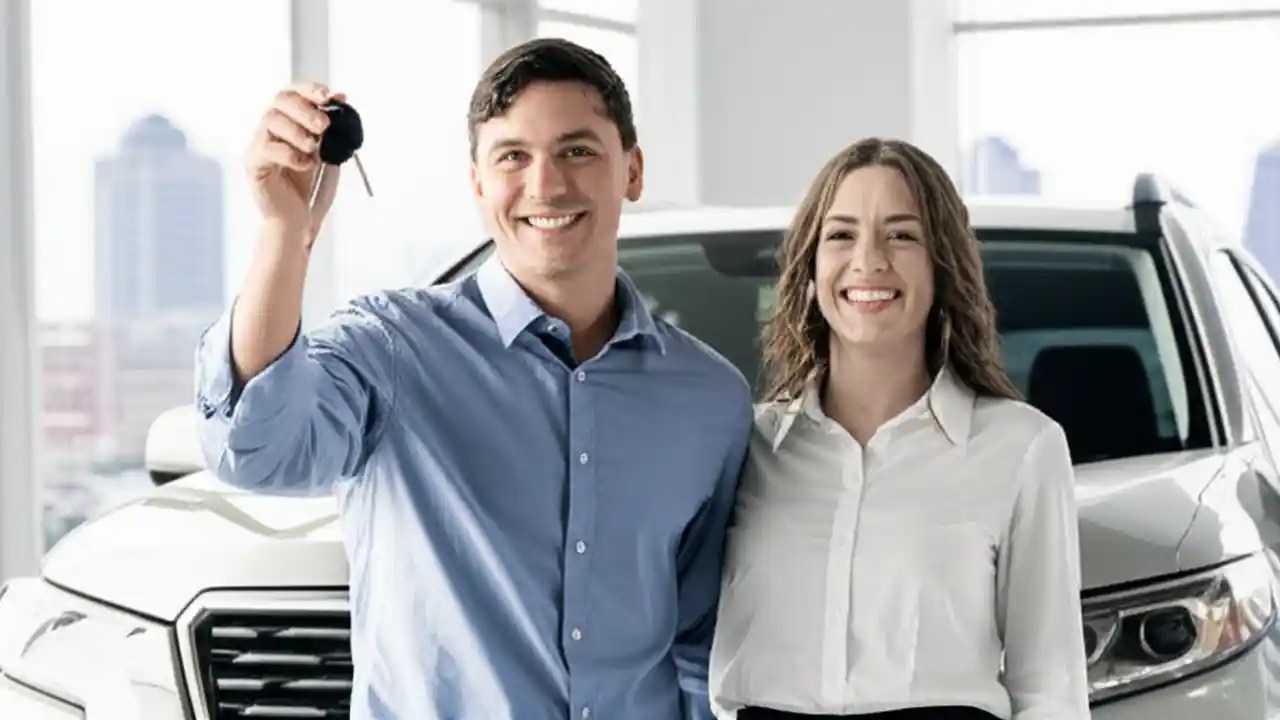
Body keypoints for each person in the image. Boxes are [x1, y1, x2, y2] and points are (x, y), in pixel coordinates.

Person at [194, 38, 751, 719]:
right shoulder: (390, 348)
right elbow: (253, 449)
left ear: (632, 170)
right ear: (478, 182)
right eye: (513, 156)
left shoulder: (712, 401)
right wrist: (286, 232)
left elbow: (702, 651)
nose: (546, 186)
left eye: (577, 151)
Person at [707, 138, 1090, 719]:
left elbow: (1051, 693)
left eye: (902, 235)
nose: (868, 260)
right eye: (841, 235)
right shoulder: (743, 447)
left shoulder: (1021, 448)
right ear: (810, 269)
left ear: (942, 267)